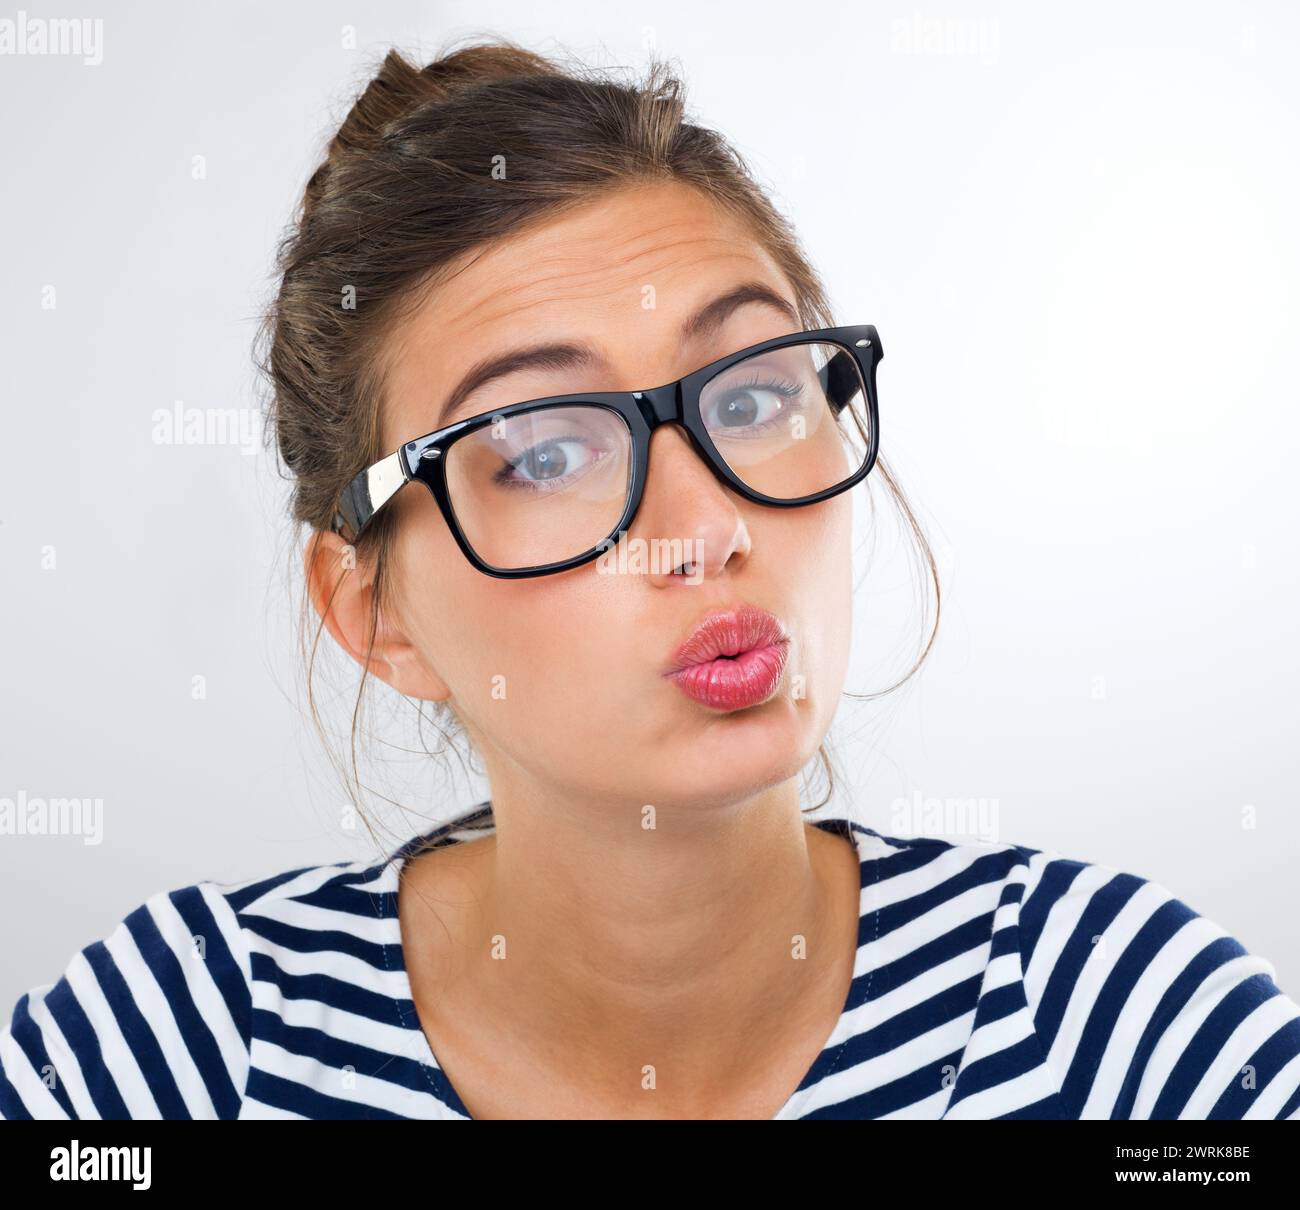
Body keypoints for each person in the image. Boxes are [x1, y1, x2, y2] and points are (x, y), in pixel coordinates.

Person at [3, 39, 1297, 1121]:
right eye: (547, 448)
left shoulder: (1118, 1028)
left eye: (750, 393)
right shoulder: (173, 1053)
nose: (708, 523)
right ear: (373, 612)